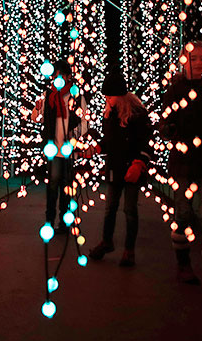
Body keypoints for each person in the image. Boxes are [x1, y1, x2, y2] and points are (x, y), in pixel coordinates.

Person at [158, 41, 202, 298]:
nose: (199, 62)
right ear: (183, 61)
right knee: (183, 213)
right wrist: (169, 129)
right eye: (194, 58)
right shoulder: (174, 90)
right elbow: (165, 122)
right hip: (183, 163)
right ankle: (184, 265)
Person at [87, 68, 152, 267]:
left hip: (132, 169)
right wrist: (97, 148)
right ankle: (106, 241)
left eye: (110, 95)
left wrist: (139, 163)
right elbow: (110, 141)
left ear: (120, 94)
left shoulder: (137, 114)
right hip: (115, 168)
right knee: (110, 208)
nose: (107, 99)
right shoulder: (110, 113)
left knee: (130, 209)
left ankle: (129, 250)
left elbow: (145, 142)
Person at [31, 59, 89, 230]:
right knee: (53, 185)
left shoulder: (76, 97)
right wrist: (37, 109)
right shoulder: (48, 96)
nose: (58, 80)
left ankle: (63, 222)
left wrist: (73, 135)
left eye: (61, 76)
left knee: (66, 186)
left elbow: (85, 123)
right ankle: (49, 220)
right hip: (53, 149)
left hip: (68, 149)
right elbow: (36, 118)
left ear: (68, 76)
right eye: (56, 76)